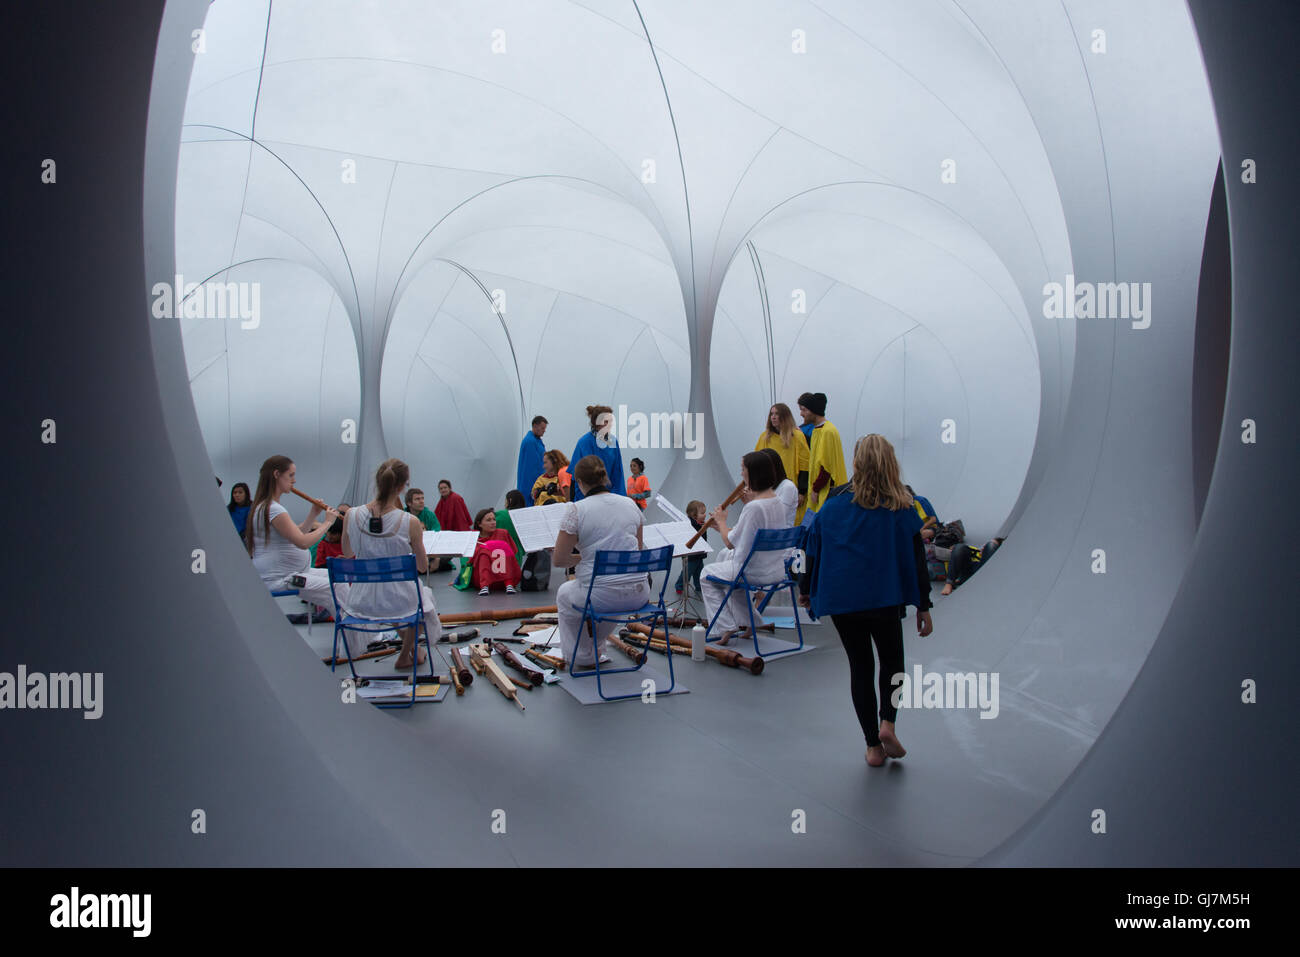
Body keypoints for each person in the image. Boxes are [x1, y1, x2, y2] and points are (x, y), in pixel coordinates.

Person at [799, 435, 934, 768]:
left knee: (860, 667)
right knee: (892, 663)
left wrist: (805, 590)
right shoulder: (901, 507)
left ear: (856, 463)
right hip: (883, 598)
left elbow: (811, 551)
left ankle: (873, 747)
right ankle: (888, 723)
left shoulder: (832, 506)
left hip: (843, 600)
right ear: (890, 463)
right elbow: (917, 560)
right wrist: (924, 606)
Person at [341, 459, 443, 670]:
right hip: (398, 600)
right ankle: (406, 654)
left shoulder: (351, 514)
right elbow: (422, 567)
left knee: (391, 595)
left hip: (361, 601)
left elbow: (347, 552)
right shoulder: (410, 521)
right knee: (421, 600)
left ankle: (411, 650)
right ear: (402, 486)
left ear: (378, 482)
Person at [552, 455, 648, 669]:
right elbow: (637, 552)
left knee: (565, 594)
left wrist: (582, 557)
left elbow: (559, 560)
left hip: (601, 595)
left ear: (578, 482)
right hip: (639, 592)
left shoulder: (576, 510)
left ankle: (580, 656)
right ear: (604, 478)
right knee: (608, 590)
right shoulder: (631, 505)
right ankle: (594, 647)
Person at [700, 451, 790, 644]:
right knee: (730, 580)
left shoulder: (754, 508)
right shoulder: (777, 503)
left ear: (753, 474)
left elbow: (730, 542)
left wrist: (722, 521)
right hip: (775, 570)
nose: (741, 474)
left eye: (743, 469)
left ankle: (725, 627)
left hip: (752, 571)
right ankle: (754, 622)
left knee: (706, 576)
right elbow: (748, 535)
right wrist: (723, 527)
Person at [245, 454, 344, 625]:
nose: (294, 481)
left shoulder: (266, 506)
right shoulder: (273, 509)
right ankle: (360, 641)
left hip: (291, 574)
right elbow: (302, 542)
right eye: (291, 475)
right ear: (277, 474)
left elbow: (295, 534)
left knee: (341, 580)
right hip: (282, 578)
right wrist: (328, 522)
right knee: (336, 587)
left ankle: (353, 641)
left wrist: (313, 514)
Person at [755, 403, 810, 524]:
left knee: (789, 521)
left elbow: (805, 465)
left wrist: (802, 491)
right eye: (771, 414)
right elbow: (756, 464)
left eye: (777, 414)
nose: (773, 417)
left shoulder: (797, 437)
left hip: (791, 487)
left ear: (785, 416)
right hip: (769, 488)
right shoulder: (765, 437)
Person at [798, 392, 847, 516]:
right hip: (819, 490)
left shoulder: (827, 431)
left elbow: (827, 466)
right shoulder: (817, 430)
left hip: (826, 492)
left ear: (813, 410)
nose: (801, 414)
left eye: (804, 410)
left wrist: (815, 489)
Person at [458, 508, 522, 596]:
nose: (493, 522)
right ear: (479, 524)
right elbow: (468, 559)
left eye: (494, 519)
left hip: (502, 576)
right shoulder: (473, 536)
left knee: (503, 546)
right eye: (488, 520)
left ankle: (509, 584)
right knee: (484, 551)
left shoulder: (502, 533)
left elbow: (512, 552)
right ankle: (485, 586)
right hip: (481, 577)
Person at [570, 404, 625, 503]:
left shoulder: (613, 441)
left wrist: (619, 499)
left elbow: (618, 473)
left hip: (610, 497)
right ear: (597, 423)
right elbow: (577, 477)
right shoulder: (584, 442)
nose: (610, 424)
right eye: (606, 421)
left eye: (611, 421)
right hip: (588, 498)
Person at [941, 538, 1005, 595]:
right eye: (985, 545)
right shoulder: (975, 552)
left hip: (982, 571)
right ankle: (949, 584)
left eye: (986, 547)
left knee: (991, 545)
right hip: (968, 571)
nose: (983, 548)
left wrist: (990, 546)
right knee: (960, 547)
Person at [406, 487, 450, 571]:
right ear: (409, 503)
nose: (421, 501)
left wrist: (436, 558)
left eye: (422, 498)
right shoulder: (404, 516)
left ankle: (425, 567)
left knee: (449, 554)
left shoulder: (430, 515)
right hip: (412, 551)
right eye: (417, 499)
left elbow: (437, 535)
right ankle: (428, 568)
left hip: (430, 551)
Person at [673, 500, 708, 597]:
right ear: (693, 515)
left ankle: (699, 586)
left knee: (699, 571)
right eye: (702, 513)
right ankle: (679, 585)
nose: (705, 515)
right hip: (691, 555)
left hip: (699, 553)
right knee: (687, 571)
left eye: (705, 512)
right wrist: (703, 527)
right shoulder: (691, 524)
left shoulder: (700, 523)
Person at [758, 447, 799, 526]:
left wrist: (753, 499)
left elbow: (777, 518)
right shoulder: (766, 486)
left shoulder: (787, 486)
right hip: (765, 533)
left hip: (780, 535)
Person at [516, 415, 548, 505]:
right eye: (542, 428)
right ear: (535, 426)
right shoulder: (530, 442)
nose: (544, 431)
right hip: (530, 486)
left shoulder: (536, 441)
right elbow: (534, 467)